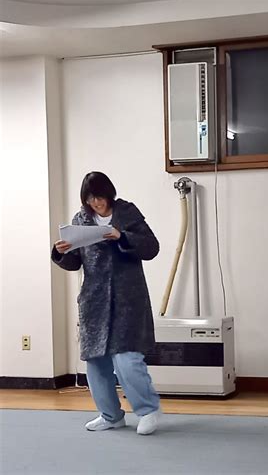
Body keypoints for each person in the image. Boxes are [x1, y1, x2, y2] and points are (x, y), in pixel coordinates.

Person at [52, 171, 161, 435]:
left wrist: (121, 236)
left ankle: (148, 410)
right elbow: (75, 262)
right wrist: (59, 252)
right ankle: (110, 415)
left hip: (128, 299)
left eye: (99, 197)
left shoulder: (128, 213)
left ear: (109, 194)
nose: (96, 203)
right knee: (96, 362)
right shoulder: (80, 220)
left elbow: (151, 248)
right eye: (90, 199)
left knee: (127, 359)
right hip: (94, 301)